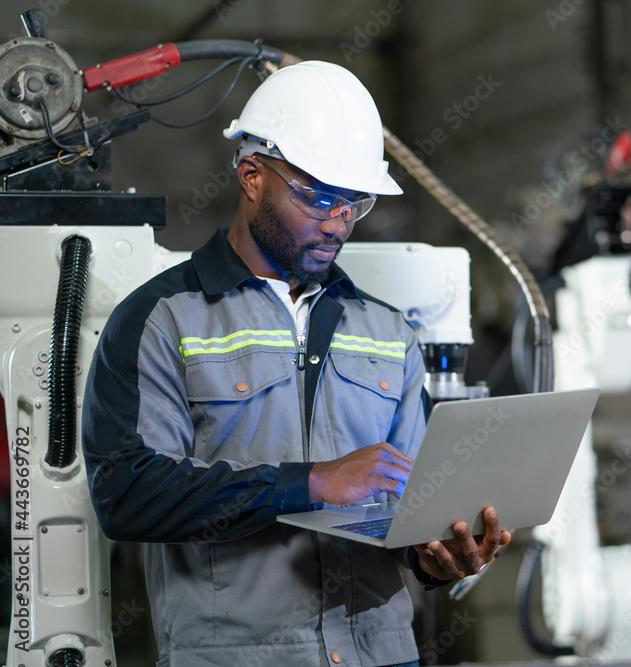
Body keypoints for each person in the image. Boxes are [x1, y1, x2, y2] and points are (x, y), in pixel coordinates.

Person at [81, 61, 509, 667]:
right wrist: (308, 482)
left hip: (382, 655)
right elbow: (126, 495)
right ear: (251, 176)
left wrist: (439, 555)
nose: (337, 223)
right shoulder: (163, 320)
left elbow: (408, 505)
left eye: (354, 203)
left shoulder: (387, 332)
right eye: (319, 197)